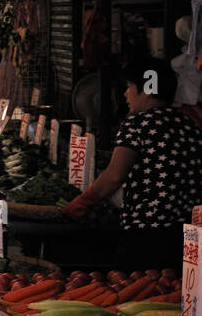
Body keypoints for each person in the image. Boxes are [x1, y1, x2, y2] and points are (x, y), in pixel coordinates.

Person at [62, 56, 202, 268]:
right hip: (186, 234)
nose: (125, 94)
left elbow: (115, 175)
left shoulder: (137, 124)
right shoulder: (188, 124)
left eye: (129, 87)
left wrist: (82, 203)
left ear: (148, 88)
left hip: (146, 234)